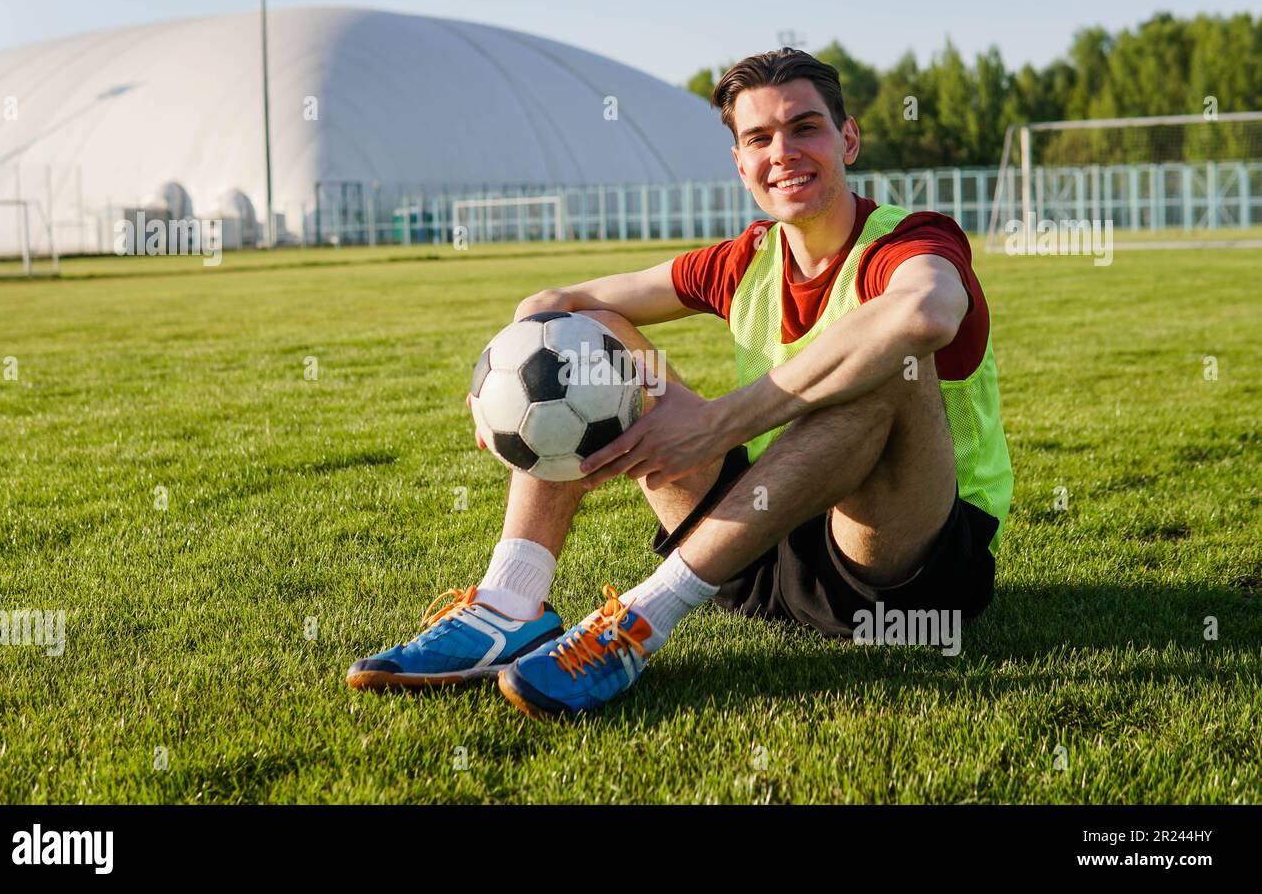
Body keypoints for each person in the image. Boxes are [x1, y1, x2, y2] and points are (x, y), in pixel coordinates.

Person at [347, 48, 1013, 718]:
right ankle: (508, 603)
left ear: (848, 138)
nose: (783, 152)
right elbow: (556, 302)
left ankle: (643, 616)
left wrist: (719, 423)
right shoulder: (747, 259)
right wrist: (501, 388)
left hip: (898, 576)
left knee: (886, 367)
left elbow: (924, 313)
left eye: (805, 127)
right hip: (760, 555)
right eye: (759, 138)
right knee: (582, 333)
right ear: (739, 161)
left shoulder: (911, 241)